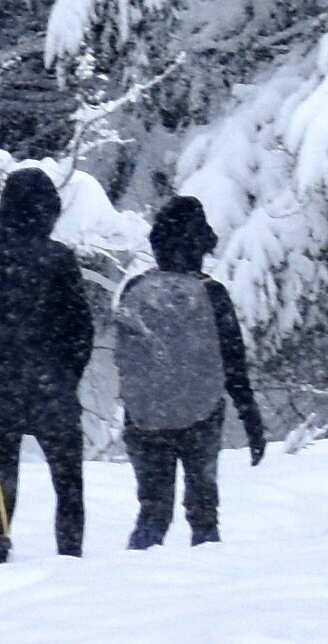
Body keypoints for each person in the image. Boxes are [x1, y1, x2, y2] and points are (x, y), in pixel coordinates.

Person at [109, 195, 265, 547]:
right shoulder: (212, 294)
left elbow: (123, 357)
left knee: (153, 510)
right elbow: (234, 364)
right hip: (202, 415)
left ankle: (132, 581)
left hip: (147, 418)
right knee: (203, 507)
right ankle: (205, 580)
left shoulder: (135, 290)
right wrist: (249, 415)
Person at [0, 167, 100, 559]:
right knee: (69, 487)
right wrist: (66, 375)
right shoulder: (59, 260)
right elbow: (81, 330)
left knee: (0, 493)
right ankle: (70, 563)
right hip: (51, 390)